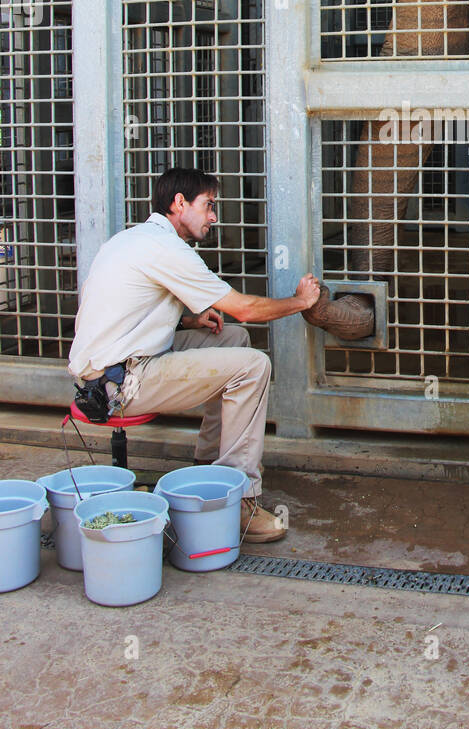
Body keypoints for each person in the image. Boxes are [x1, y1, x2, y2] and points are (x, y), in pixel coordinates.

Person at [68, 167, 321, 542]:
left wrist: (187, 320)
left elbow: (125, 314)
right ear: (179, 203)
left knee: (232, 339)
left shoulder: (133, 239)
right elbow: (245, 308)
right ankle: (239, 501)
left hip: (111, 370)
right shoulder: (166, 248)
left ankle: (207, 470)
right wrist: (301, 301)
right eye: (209, 205)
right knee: (253, 366)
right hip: (118, 385)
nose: (214, 217)